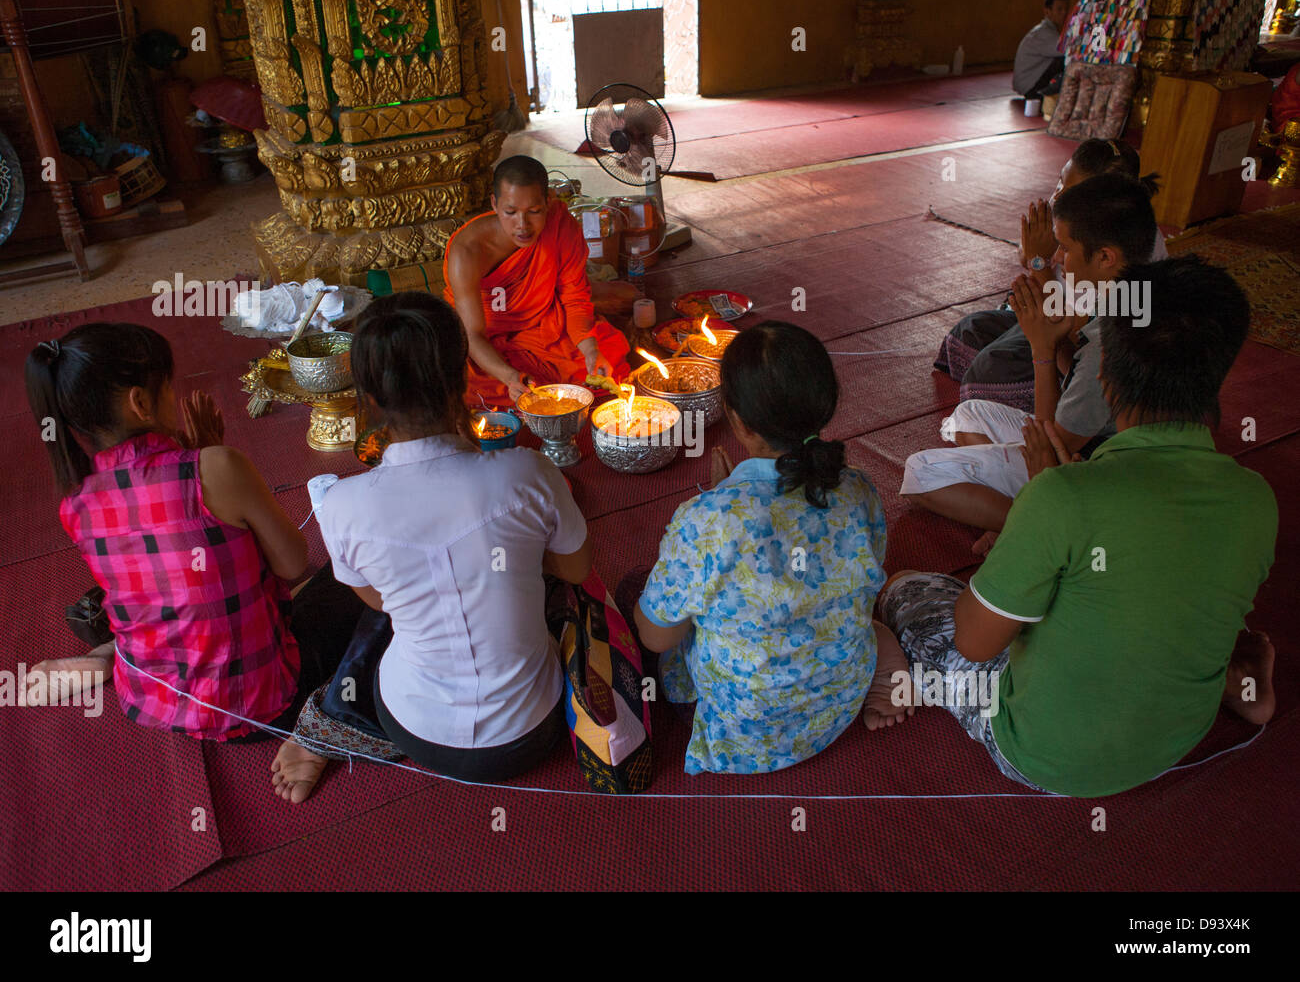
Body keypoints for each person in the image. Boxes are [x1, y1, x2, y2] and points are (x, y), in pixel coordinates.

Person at [879, 256, 1277, 797]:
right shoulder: (1256, 499)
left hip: (1046, 756)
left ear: (1105, 378)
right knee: (1170, 592)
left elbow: (974, 642)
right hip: (1177, 737)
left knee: (906, 590)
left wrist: (1033, 513)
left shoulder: (1063, 496)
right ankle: (1236, 680)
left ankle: (1233, 678)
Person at [23, 323, 398, 805]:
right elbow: (291, 564)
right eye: (167, 388)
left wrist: (192, 456)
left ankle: (110, 658)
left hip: (156, 697)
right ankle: (325, 728)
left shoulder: (75, 501)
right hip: (265, 706)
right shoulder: (217, 466)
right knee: (378, 579)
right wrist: (207, 459)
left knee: (159, 592)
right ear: (140, 402)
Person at [310, 291, 593, 784]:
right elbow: (576, 570)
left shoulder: (340, 505)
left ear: (370, 398)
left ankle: (331, 723)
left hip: (415, 730)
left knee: (385, 602)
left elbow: (377, 603)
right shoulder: (526, 472)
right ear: (461, 378)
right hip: (534, 728)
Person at [623, 321, 911, 776]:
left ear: (735, 419)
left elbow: (657, 637)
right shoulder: (859, 489)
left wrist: (722, 508)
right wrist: (730, 505)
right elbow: (858, 568)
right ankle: (881, 659)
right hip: (835, 704)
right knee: (854, 609)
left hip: (746, 731)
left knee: (639, 594)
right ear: (823, 406)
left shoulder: (708, 521)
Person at [902, 173, 1158, 536]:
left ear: (1104, 256)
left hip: (1098, 470)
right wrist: (1050, 329)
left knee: (920, 471)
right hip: (1100, 445)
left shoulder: (1111, 342)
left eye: (1065, 250)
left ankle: (1032, 526)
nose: (1059, 259)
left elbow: (1051, 450)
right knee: (969, 413)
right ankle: (1016, 502)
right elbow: (1071, 350)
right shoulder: (1139, 292)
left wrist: (1042, 349)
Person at [936, 138, 1165, 411]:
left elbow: (1073, 331)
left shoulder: (1127, 251)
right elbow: (1031, 253)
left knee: (989, 371)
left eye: (1070, 191)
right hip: (1055, 314)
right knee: (967, 332)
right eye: (1060, 183)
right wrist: (1036, 257)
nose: (1057, 196)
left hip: (1078, 343)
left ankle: (1053, 399)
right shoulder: (1081, 219)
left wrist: (1039, 267)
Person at [444, 154, 631, 407]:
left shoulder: (561, 226)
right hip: (488, 341)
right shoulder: (466, 251)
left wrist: (589, 350)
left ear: (548, 202)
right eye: (510, 212)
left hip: (545, 328)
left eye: (534, 212)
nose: (522, 225)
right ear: (494, 204)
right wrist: (509, 377)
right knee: (465, 385)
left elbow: (574, 300)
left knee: (607, 351)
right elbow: (473, 335)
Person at [1013, 0, 1070, 101]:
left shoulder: (1048, 30)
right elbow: (1068, 50)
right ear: (1047, 12)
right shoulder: (1043, 33)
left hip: (1029, 83)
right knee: (1072, 61)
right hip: (1030, 87)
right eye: (1059, 9)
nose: (1064, 13)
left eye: (1066, 9)